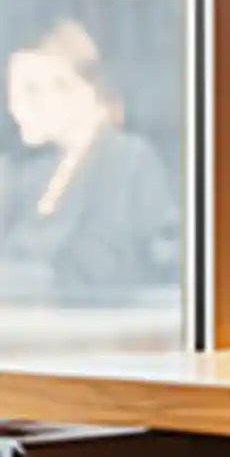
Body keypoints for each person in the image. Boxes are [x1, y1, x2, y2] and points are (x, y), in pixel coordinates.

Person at [0, 20, 179, 305]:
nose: (16, 105)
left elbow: (105, 271)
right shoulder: (31, 172)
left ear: (83, 90)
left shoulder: (128, 163)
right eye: (12, 92)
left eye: (32, 90)